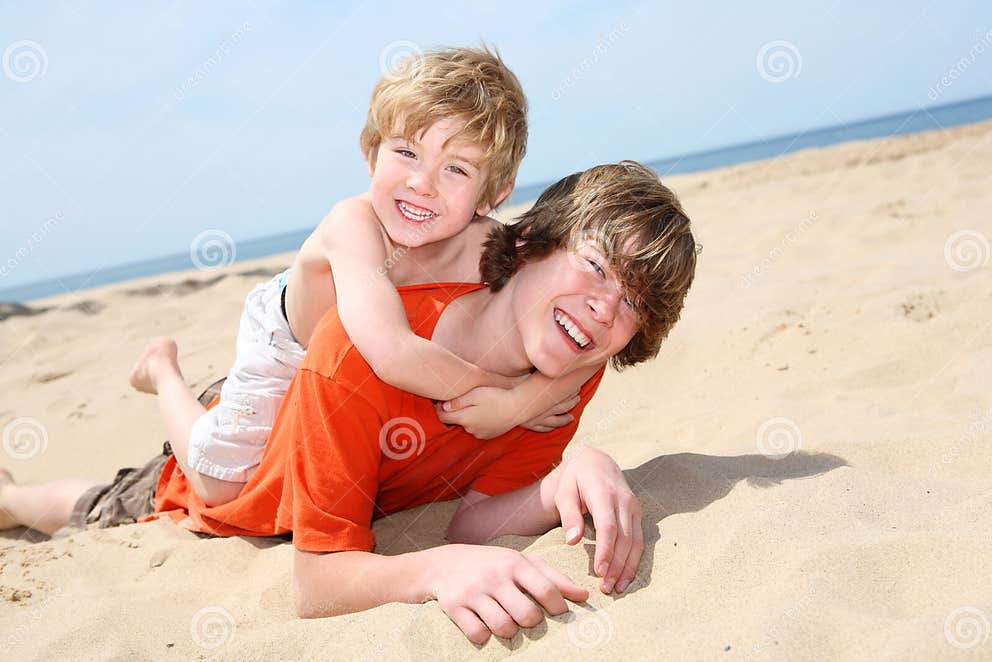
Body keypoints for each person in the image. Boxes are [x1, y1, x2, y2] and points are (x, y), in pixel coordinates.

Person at [0, 161, 698, 645]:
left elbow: (479, 518)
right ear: (531, 243)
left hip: (321, 423)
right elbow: (316, 582)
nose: (604, 308)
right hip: (244, 464)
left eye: (633, 302)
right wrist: (431, 571)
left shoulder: (570, 361)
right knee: (113, 501)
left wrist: (570, 477)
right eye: (597, 265)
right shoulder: (366, 348)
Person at [127, 45, 595, 508]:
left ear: (491, 195)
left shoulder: (488, 243)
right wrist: (511, 395)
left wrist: (519, 405)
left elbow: (592, 331)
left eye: (455, 168)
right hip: (290, 344)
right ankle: (163, 369)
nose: (422, 183)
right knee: (219, 486)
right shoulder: (352, 225)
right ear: (371, 155)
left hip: (356, 368)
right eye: (406, 152)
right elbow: (393, 353)